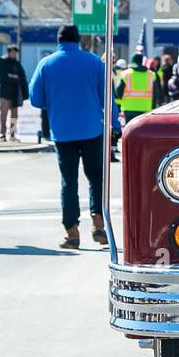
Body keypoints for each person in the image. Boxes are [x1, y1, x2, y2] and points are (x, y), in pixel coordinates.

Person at [29, 25, 110, 249]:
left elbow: (36, 100)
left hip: (63, 132)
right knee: (95, 177)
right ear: (79, 40)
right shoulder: (94, 61)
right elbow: (106, 96)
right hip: (92, 129)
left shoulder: (46, 63)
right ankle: (99, 224)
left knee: (69, 181)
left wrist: (55, 100)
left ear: (58, 40)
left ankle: (72, 232)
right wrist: (113, 122)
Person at [115, 52, 159, 125]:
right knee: (143, 132)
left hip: (129, 108)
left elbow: (118, 92)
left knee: (130, 132)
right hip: (146, 108)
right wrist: (153, 107)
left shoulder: (125, 74)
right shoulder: (151, 75)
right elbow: (155, 94)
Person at [0, 45, 29, 142]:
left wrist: (13, 77)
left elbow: (22, 77)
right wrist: (14, 78)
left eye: (16, 53)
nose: (15, 54)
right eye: (13, 52)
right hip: (5, 94)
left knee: (14, 116)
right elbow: (3, 76)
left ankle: (13, 135)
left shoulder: (17, 64)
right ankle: (2, 134)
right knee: (4, 115)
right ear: (8, 52)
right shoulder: (2, 61)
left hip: (15, 94)